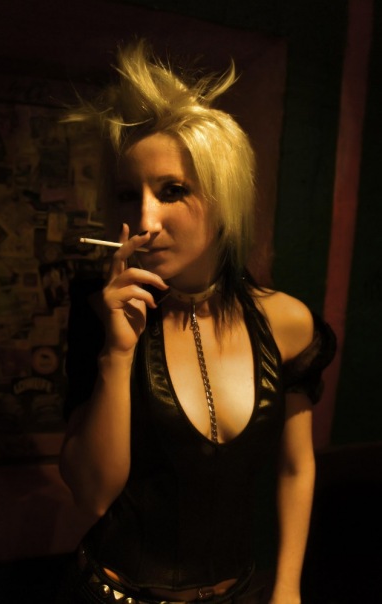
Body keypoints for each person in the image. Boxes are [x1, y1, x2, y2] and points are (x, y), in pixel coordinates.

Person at [58, 40, 336, 604]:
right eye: (127, 195)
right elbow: (92, 495)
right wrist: (117, 353)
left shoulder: (286, 322)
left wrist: (288, 587)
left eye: (173, 191)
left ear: (224, 198)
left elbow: (295, 467)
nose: (144, 219)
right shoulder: (102, 311)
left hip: (241, 591)